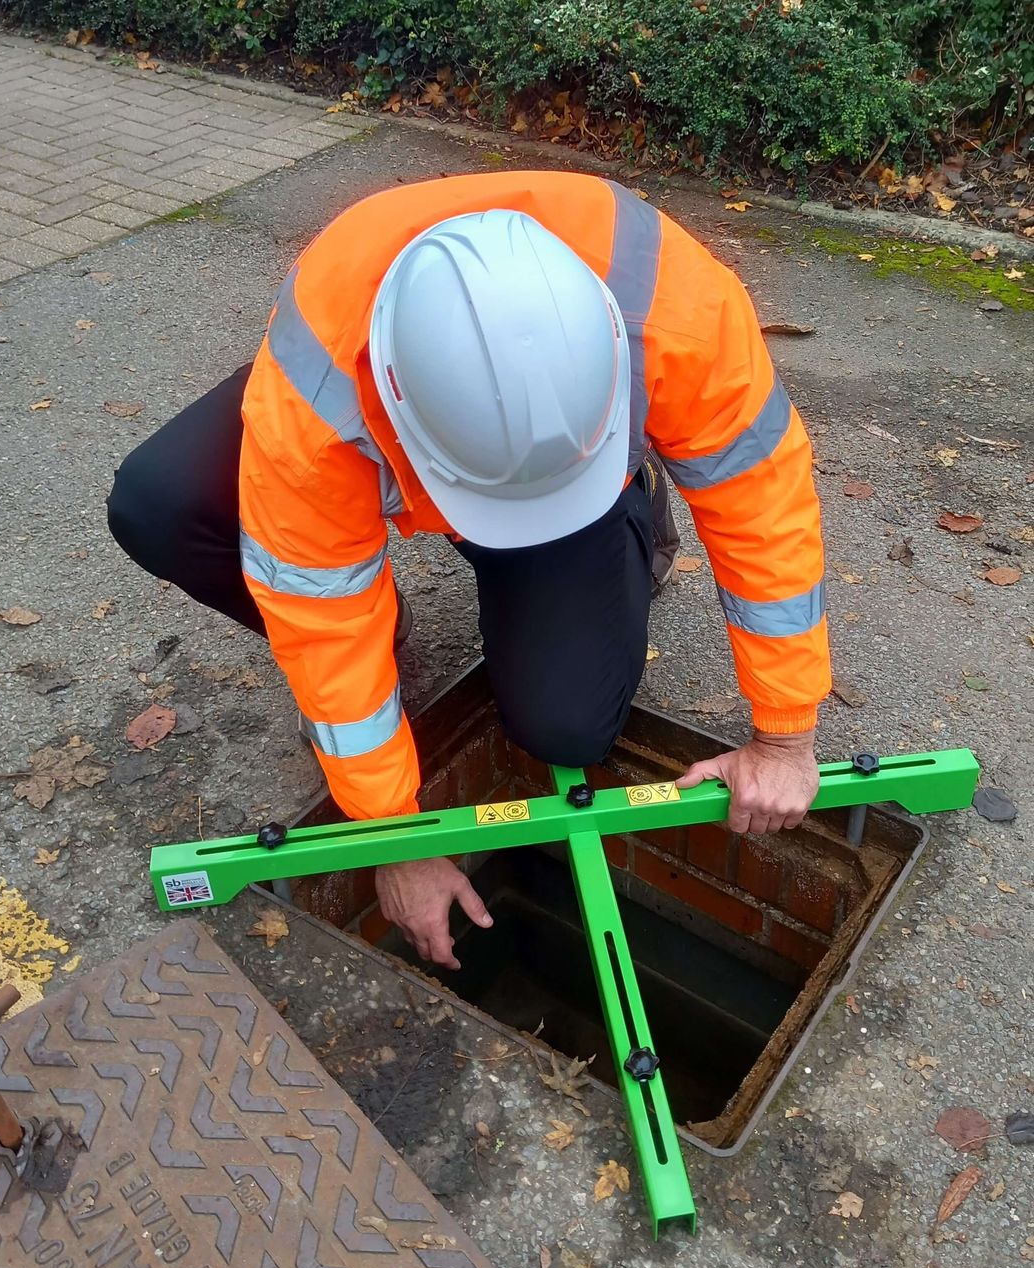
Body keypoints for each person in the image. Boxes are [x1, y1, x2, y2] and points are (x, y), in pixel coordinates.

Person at [109, 171, 830, 970]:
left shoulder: (676, 307)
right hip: (357, 411)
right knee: (161, 504)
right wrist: (394, 836)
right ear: (392, 397)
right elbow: (320, 615)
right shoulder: (314, 406)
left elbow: (763, 503)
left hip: (588, 469)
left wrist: (785, 731)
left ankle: (632, 518)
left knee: (567, 725)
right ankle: (400, 620)